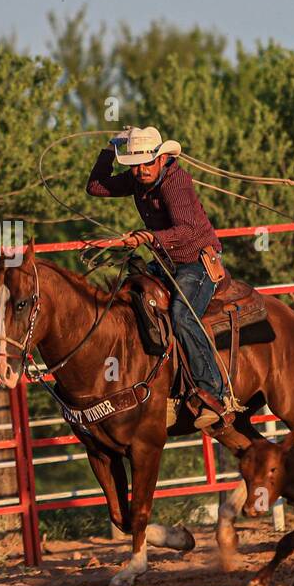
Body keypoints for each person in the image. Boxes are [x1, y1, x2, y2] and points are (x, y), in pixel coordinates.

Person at [85, 125, 228, 428]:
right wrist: (112, 148)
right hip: (166, 263)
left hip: (196, 262)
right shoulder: (140, 180)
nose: (140, 170)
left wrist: (147, 238)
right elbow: (96, 187)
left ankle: (214, 393)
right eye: (134, 164)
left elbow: (188, 231)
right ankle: (159, 390)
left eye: (146, 163)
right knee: (130, 303)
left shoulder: (175, 183)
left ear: (162, 159)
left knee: (181, 316)